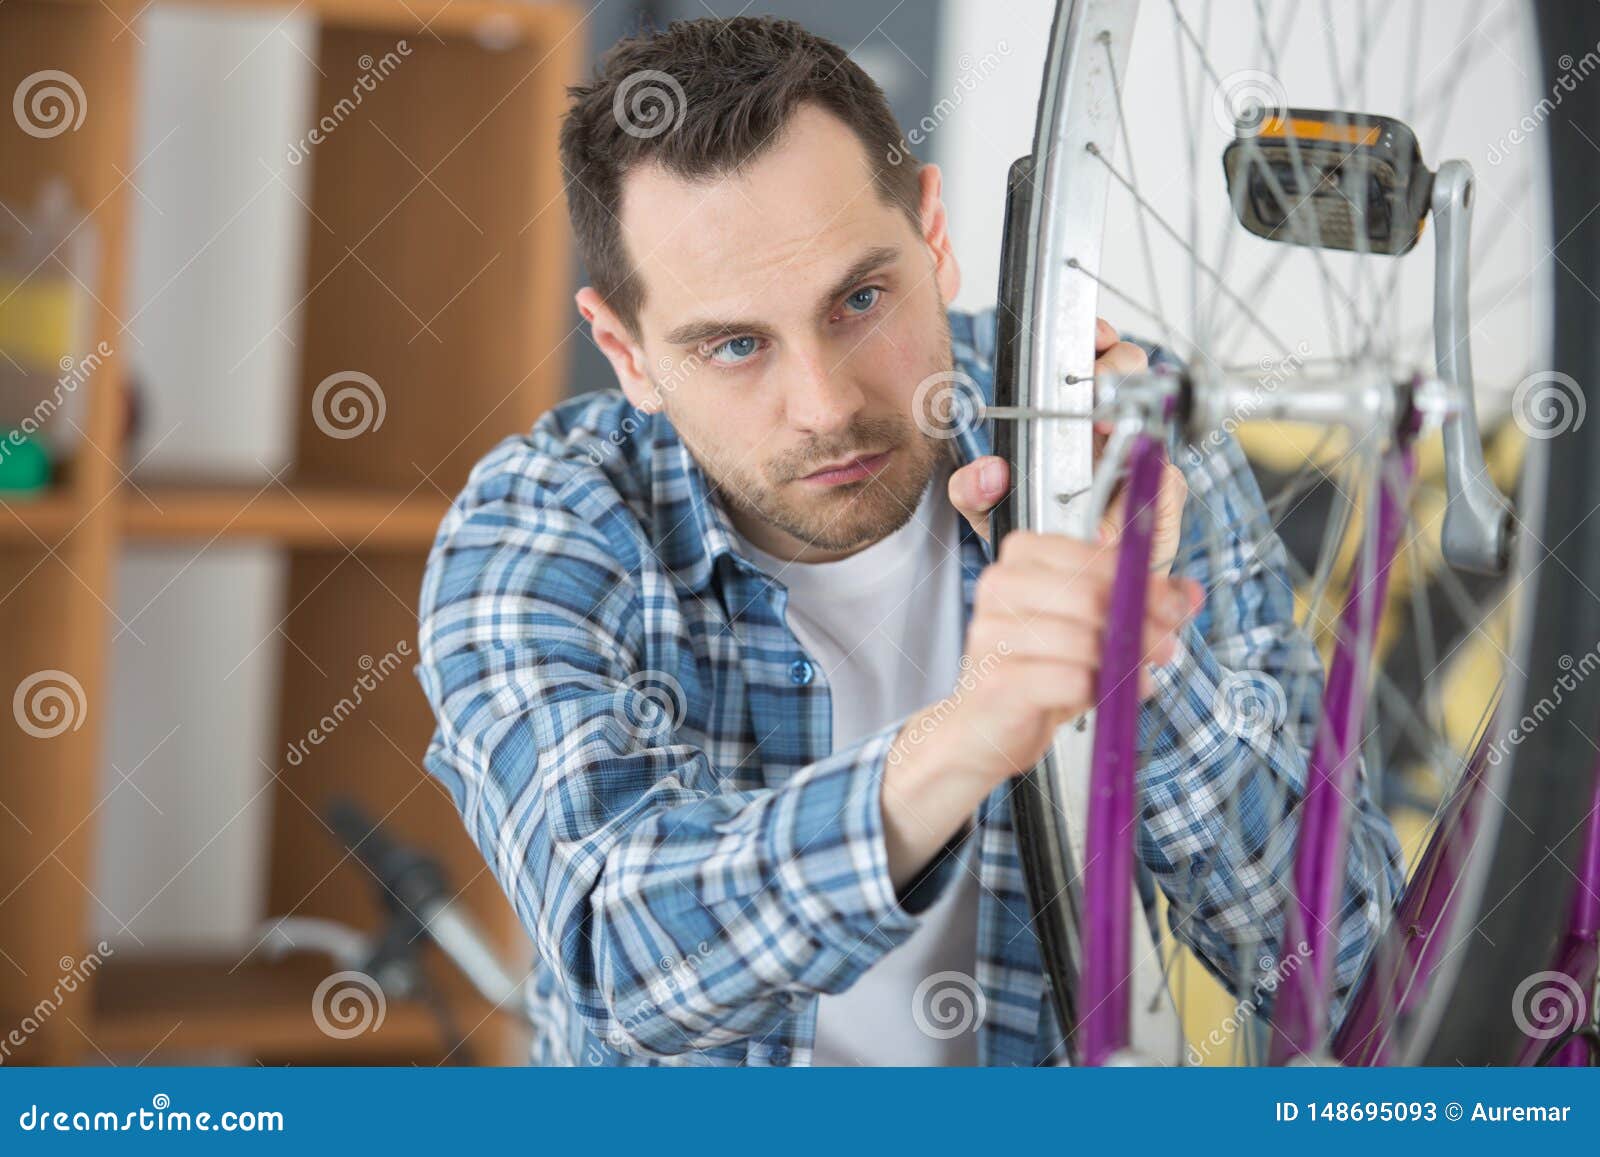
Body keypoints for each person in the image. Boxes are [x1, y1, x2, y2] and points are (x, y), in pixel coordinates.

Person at [414, 15, 1403, 1066]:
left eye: (859, 298)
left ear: (932, 233)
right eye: (736, 344)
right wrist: (974, 728)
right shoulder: (541, 524)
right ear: (626, 352)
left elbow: (1350, 963)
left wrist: (1140, 664)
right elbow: (621, 954)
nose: (823, 405)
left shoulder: (1119, 435)